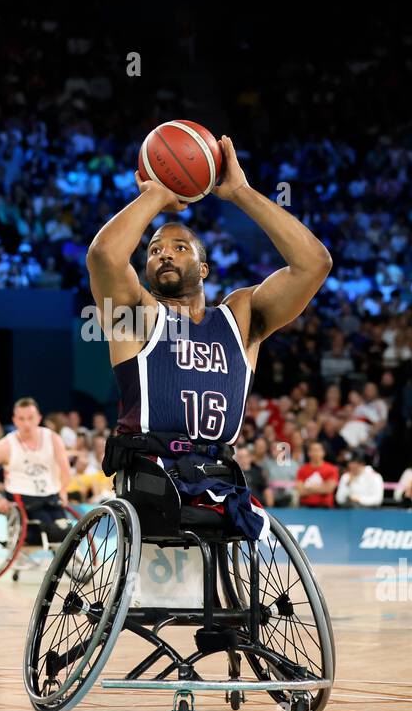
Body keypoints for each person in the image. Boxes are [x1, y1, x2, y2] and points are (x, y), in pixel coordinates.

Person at [85, 133, 331, 536]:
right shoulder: (137, 314)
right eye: (154, 250)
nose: (163, 252)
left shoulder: (241, 317)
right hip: (151, 476)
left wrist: (242, 192)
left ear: (203, 268)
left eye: (180, 247)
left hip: (220, 477)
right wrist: (155, 196)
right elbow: (103, 256)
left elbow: (314, 264)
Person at [0, 398, 72, 571]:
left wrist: (64, 490)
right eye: (21, 419)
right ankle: (23, 550)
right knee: (49, 532)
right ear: (14, 420)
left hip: (51, 495)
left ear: (38, 417)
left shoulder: (53, 439)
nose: (26, 423)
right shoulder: (5, 446)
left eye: (30, 418)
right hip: (23, 498)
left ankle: (71, 559)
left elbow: (65, 470)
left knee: (65, 531)